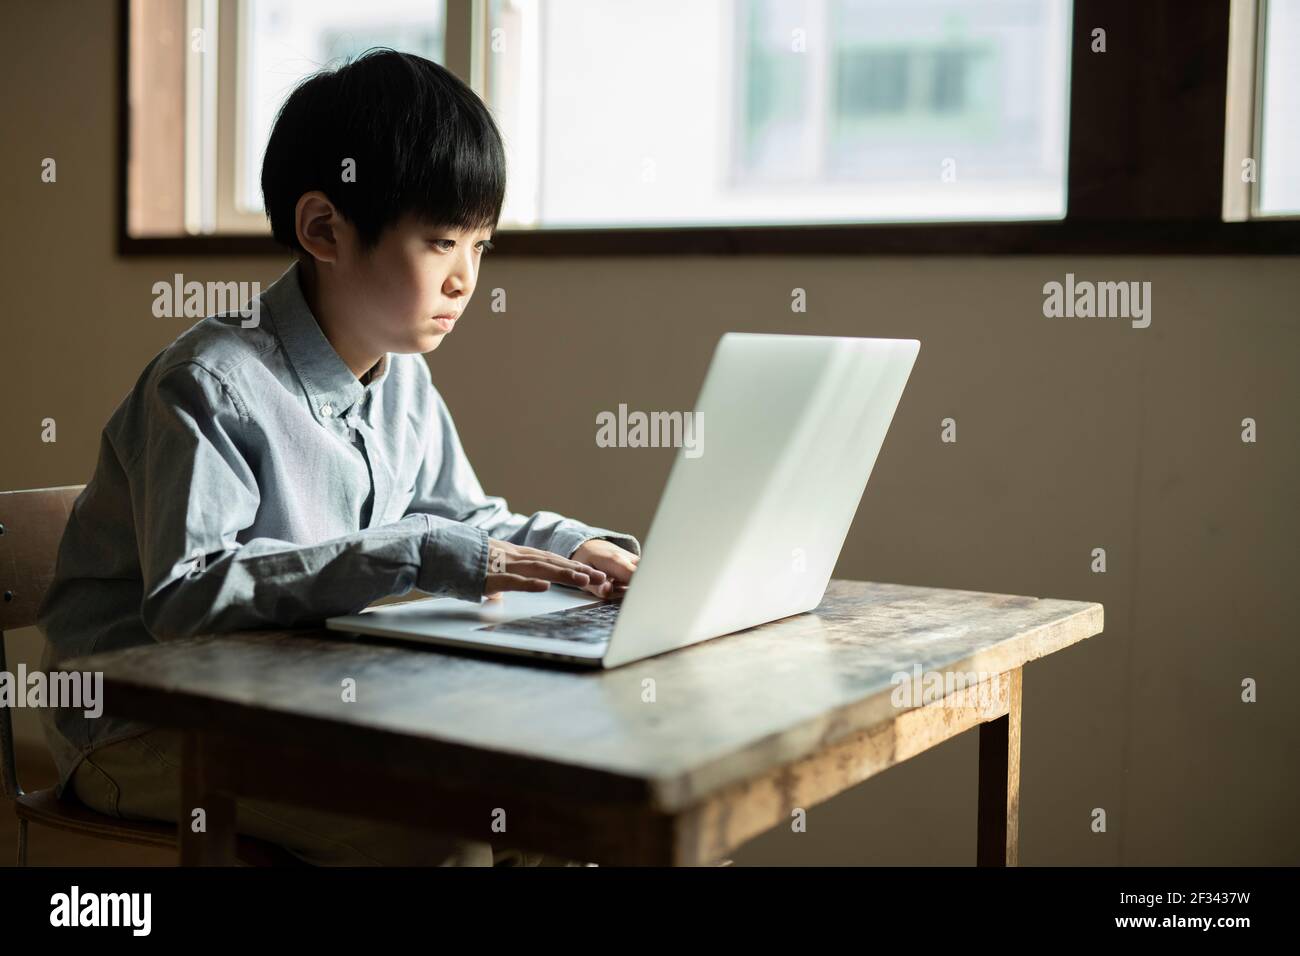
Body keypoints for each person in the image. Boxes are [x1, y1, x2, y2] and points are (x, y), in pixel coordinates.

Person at [37, 49, 640, 866]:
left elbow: (460, 518)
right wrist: (412, 554)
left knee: (566, 814)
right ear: (324, 229)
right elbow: (186, 600)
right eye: (440, 241)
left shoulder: (403, 382)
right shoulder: (207, 385)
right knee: (452, 840)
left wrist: (574, 548)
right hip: (148, 734)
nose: (466, 278)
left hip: (294, 708)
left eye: (480, 245)